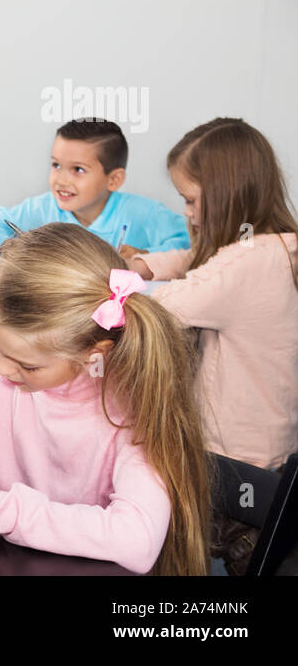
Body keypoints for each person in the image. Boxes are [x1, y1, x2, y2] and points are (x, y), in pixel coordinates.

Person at [0, 223, 210, 575]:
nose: (2, 369)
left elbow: (135, 540)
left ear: (92, 355)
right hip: (17, 561)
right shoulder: (3, 371)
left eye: (26, 365)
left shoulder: (135, 406)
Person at [127, 117, 298, 573]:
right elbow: (197, 258)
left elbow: (170, 303)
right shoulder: (276, 246)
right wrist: (146, 263)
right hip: (273, 452)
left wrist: (127, 286)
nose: (185, 212)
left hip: (232, 461)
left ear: (225, 193)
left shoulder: (247, 263)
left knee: (166, 534)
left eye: (189, 199)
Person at [0, 118, 190, 256]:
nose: (61, 180)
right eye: (56, 165)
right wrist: (9, 247)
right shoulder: (43, 209)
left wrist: (146, 255)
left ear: (114, 180)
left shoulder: (144, 213)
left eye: (78, 169)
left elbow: (195, 244)